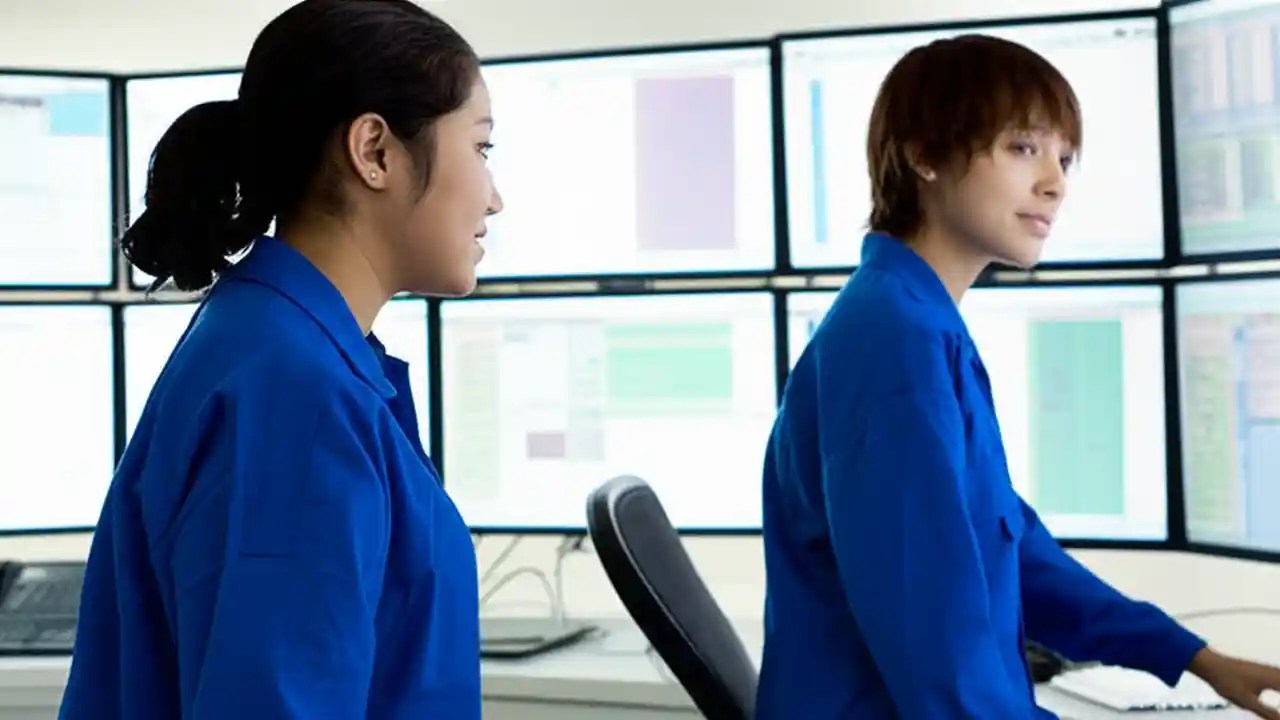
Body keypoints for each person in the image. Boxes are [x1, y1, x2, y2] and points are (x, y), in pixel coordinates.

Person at [755, 33, 1280, 719]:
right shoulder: (894, 339)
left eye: (1063, 157)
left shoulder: (918, 321)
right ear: (923, 155)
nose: (1055, 183)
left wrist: (1190, 656)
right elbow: (936, 646)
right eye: (1023, 148)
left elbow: (1009, 550)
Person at [58, 1, 502, 718]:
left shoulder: (282, 349)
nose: (495, 197)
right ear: (375, 152)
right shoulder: (295, 398)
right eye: (481, 150)